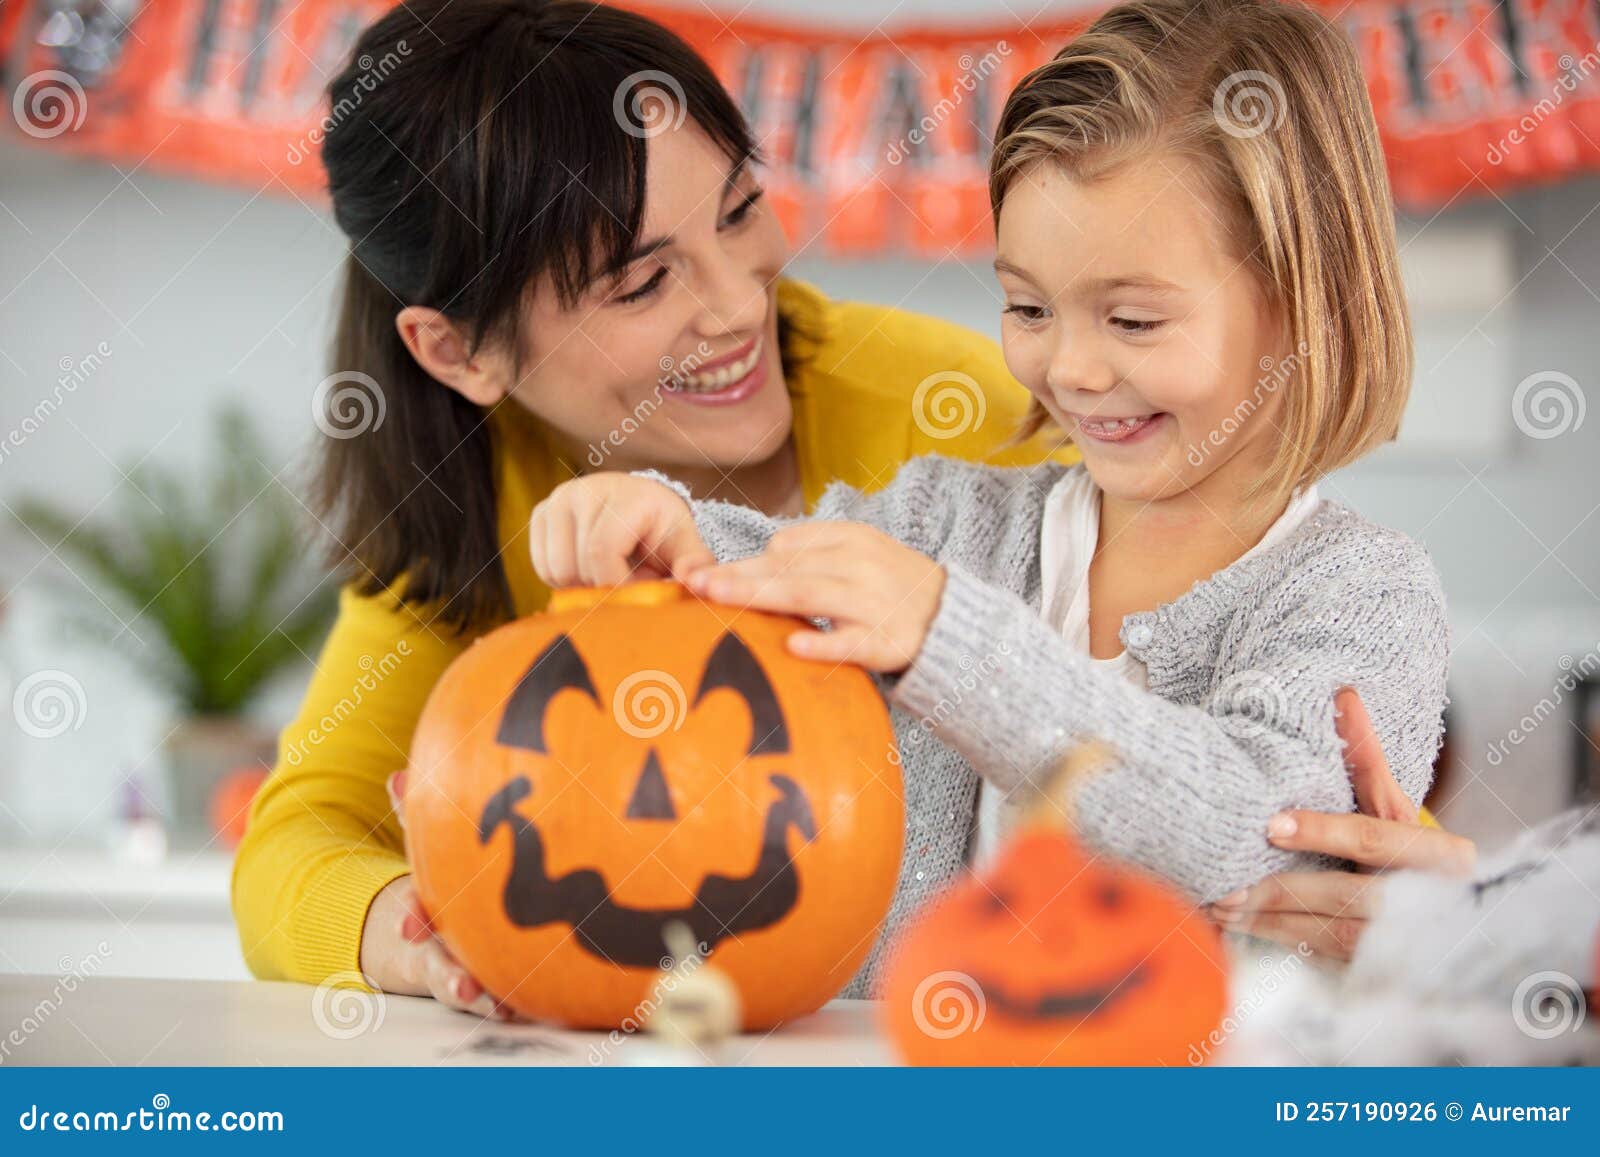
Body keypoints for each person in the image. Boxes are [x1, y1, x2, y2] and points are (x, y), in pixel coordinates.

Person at [528, 0, 1456, 997]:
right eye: (1026, 306)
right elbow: (769, 572)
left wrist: (943, 633)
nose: (1069, 365)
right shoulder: (948, 521)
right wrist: (669, 526)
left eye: (1132, 318)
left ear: (1299, 302)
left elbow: (1243, 829)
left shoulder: (1364, 594)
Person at [229, 0, 1068, 1019]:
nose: (736, 304)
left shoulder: (966, 417)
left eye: (738, 209)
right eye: (640, 284)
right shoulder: (474, 502)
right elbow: (297, 835)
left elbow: (1174, 683)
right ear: (456, 350)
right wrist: (412, 928)